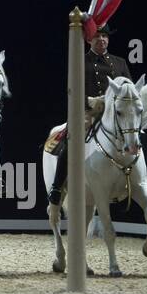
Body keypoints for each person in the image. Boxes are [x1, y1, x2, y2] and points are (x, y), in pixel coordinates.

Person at [46, 22, 131, 205]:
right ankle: (57, 186)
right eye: (97, 36)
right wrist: (91, 101)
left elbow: (128, 90)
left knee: (138, 133)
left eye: (105, 36)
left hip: (116, 113)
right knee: (74, 136)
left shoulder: (120, 62)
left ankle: (137, 181)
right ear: (88, 39)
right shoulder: (80, 61)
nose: (101, 39)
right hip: (89, 111)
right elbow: (73, 90)